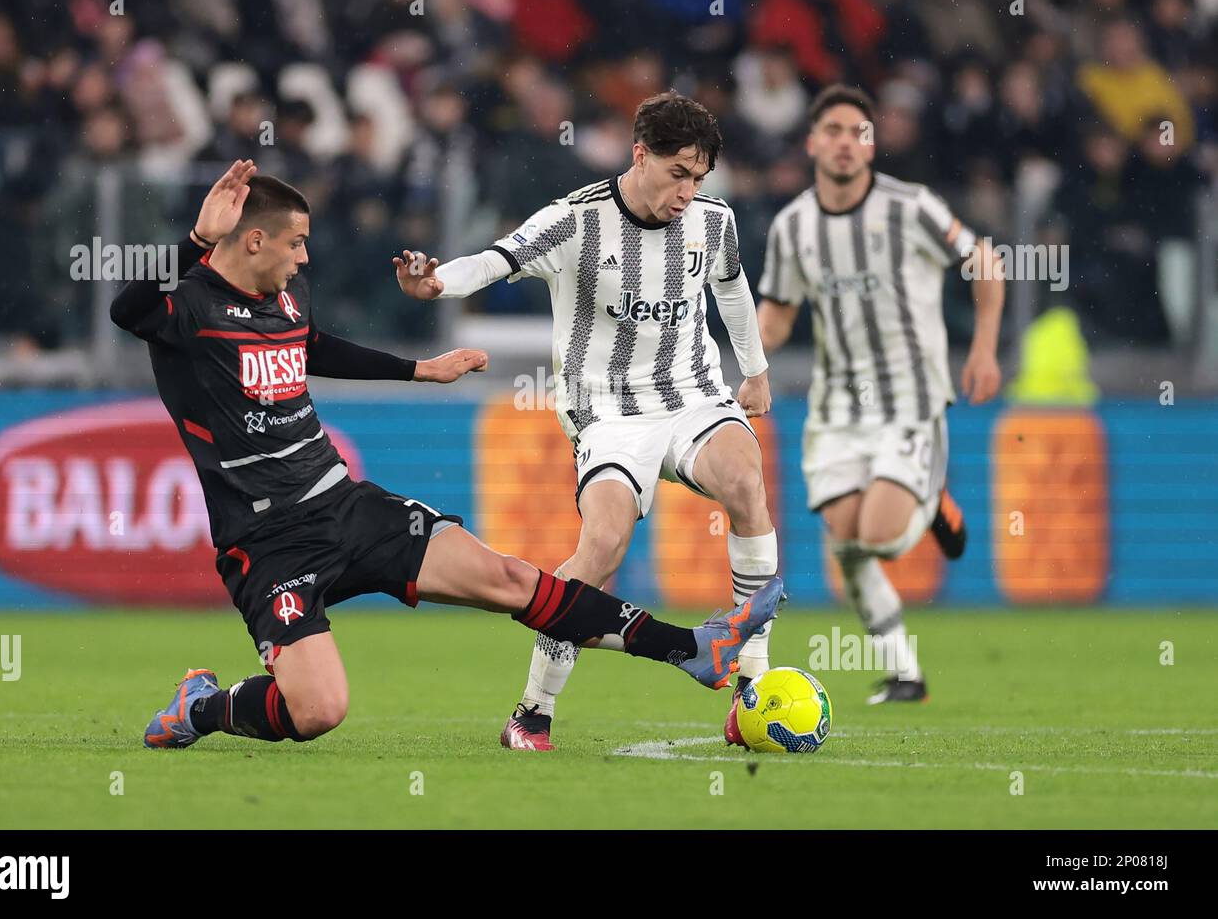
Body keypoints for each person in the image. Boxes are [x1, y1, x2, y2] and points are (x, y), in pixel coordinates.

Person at [109, 160, 782, 748]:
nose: (305, 258)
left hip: (346, 505)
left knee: (509, 580)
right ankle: (203, 707)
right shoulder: (187, 308)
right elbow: (125, 309)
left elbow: (311, 346)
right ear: (252, 239)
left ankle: (690, 648)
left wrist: (416, 369)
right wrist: (196, 239)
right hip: (266, 541)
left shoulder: (286, 293)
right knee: (317, 711)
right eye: (297, 243)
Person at [396, 92, 781, 750]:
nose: (687, 192)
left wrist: (754, 368)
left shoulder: (713, 221)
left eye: (698, 178)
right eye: (677, 173)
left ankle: (753, 683)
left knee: (747, 484)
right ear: (640, 155)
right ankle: (533, 711)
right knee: (601, 548)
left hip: (691, 395)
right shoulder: (574, 221)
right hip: (605, 411)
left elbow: (731, 287)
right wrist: (437, 284)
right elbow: (498, 258)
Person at [755, 86, 1003, 704]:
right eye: (833, 130)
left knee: (885, 535)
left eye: (858, 132)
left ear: (871, 144)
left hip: (910, 398)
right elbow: (779, 313)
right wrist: (746, 363)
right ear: (813, 142)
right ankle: (905, 673)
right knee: (849, 543)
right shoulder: (792, 227)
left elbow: (986, 263)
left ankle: (934, 502)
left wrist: (983, 349)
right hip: (837, 406)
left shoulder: (910, 206)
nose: (845, 142)